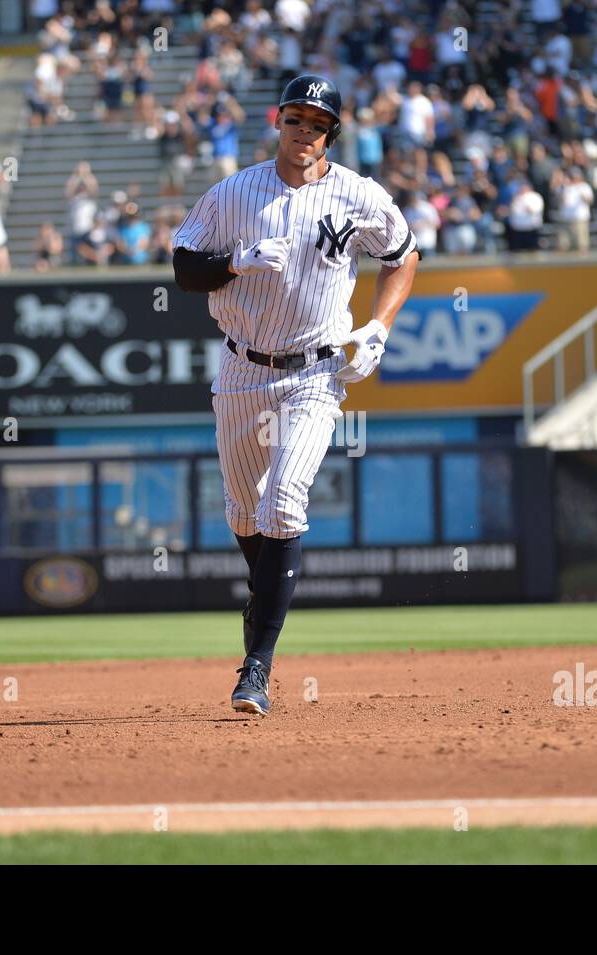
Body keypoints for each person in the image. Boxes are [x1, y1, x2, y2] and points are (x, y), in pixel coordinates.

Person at [171, 73, 419, 717]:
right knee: (243, 514)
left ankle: (256, 667)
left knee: (283, 501)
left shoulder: (358, 195)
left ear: (331, 133)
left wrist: (378, 329)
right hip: (241, 369)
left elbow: (404, 255)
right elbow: (183, 266)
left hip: (315, 373)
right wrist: (235, 262)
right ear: (277, 122)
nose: (303, 131)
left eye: (316, 123)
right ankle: (265, 607)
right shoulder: (234, 192)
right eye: (294, 120)